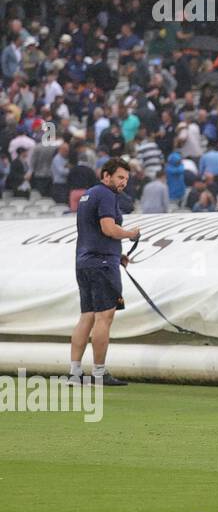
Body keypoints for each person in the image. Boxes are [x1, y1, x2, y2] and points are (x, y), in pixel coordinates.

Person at [70, 158, 140, 386]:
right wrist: (130, 234)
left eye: (126, 179)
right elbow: (108, 228)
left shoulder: (87, 195)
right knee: (104, 318)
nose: (123, 183)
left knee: (86, 317)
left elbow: (93, 233)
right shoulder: (107, 195)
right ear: (106, 175)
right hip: (101, 265)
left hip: (84, 262)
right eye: (120, 177)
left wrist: (116, 254)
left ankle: (74, 373)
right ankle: (99, 373)